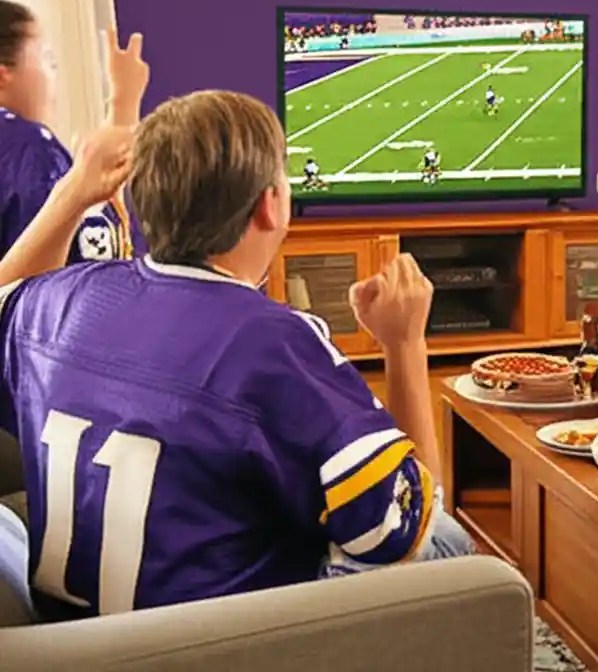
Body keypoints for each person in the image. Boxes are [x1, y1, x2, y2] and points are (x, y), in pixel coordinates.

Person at [0, 90, 471, 619]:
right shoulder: (273, 343)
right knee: (451, 541)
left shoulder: (49, 301)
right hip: (214, 647)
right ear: (270, 203)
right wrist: (404, 344)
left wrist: (72, 195)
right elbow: (408, 531)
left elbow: (12, 290)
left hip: (72, 643)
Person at [0, 0, 148, 263]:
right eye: (47, 59)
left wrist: (123, 103)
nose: (53, 75)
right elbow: (58, 279)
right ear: (3, 75)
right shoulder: (30, 151)